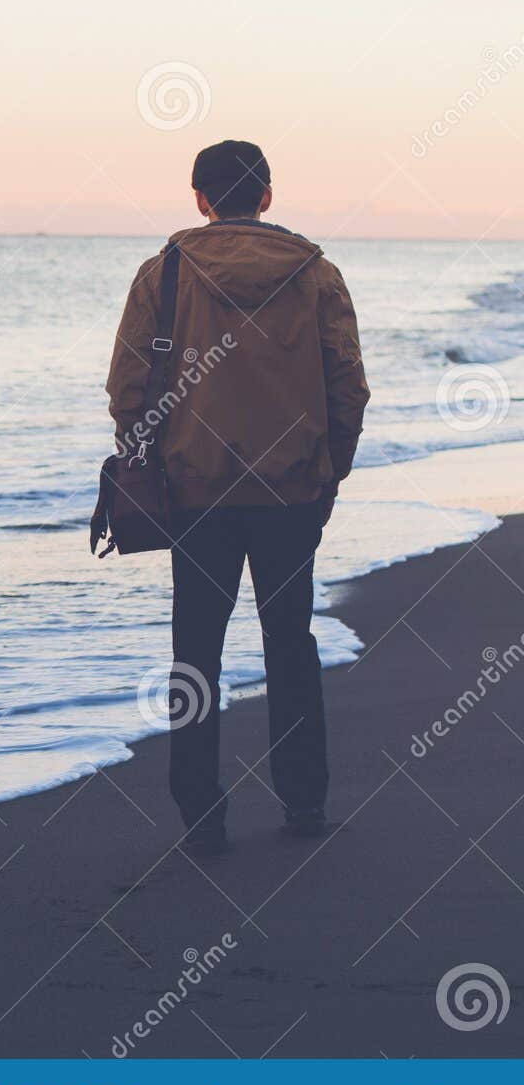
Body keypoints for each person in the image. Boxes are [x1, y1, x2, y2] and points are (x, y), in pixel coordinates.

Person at [105, 139, 370, 856]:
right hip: (291, 492)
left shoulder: (163, 275)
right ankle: (305, 805)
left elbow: (128, 389)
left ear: (199, 198)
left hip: (195, 493)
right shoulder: (317, 275)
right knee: (290, 644)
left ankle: (201, 816)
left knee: (196, 654)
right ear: (267, 195)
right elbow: (348, 386)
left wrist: (152, 455)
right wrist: (328, 473)